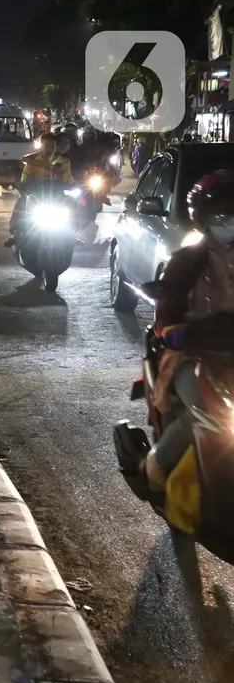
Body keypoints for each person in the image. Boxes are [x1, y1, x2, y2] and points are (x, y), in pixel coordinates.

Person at [122, 172, 234, 511]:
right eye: (221, 214)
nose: (228, 220)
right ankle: (155, 466)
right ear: (202, 217)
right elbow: (166, 314)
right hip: (193, 355)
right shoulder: (187, 261)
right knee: (207, 413)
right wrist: (179, 332)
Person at [5, 133, 73, 247]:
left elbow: (67, 179)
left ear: (56, 147)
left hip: (56, 197)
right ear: (41, 146)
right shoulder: (31, 164)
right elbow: (24, 180)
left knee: (72, 203)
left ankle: (72, 234)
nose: (49, 149)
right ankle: (16, 234)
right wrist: (22, 186)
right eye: (46, 146)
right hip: (37, 198)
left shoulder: (64, 162)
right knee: (21, 202)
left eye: (52, 146)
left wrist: (73, 185)